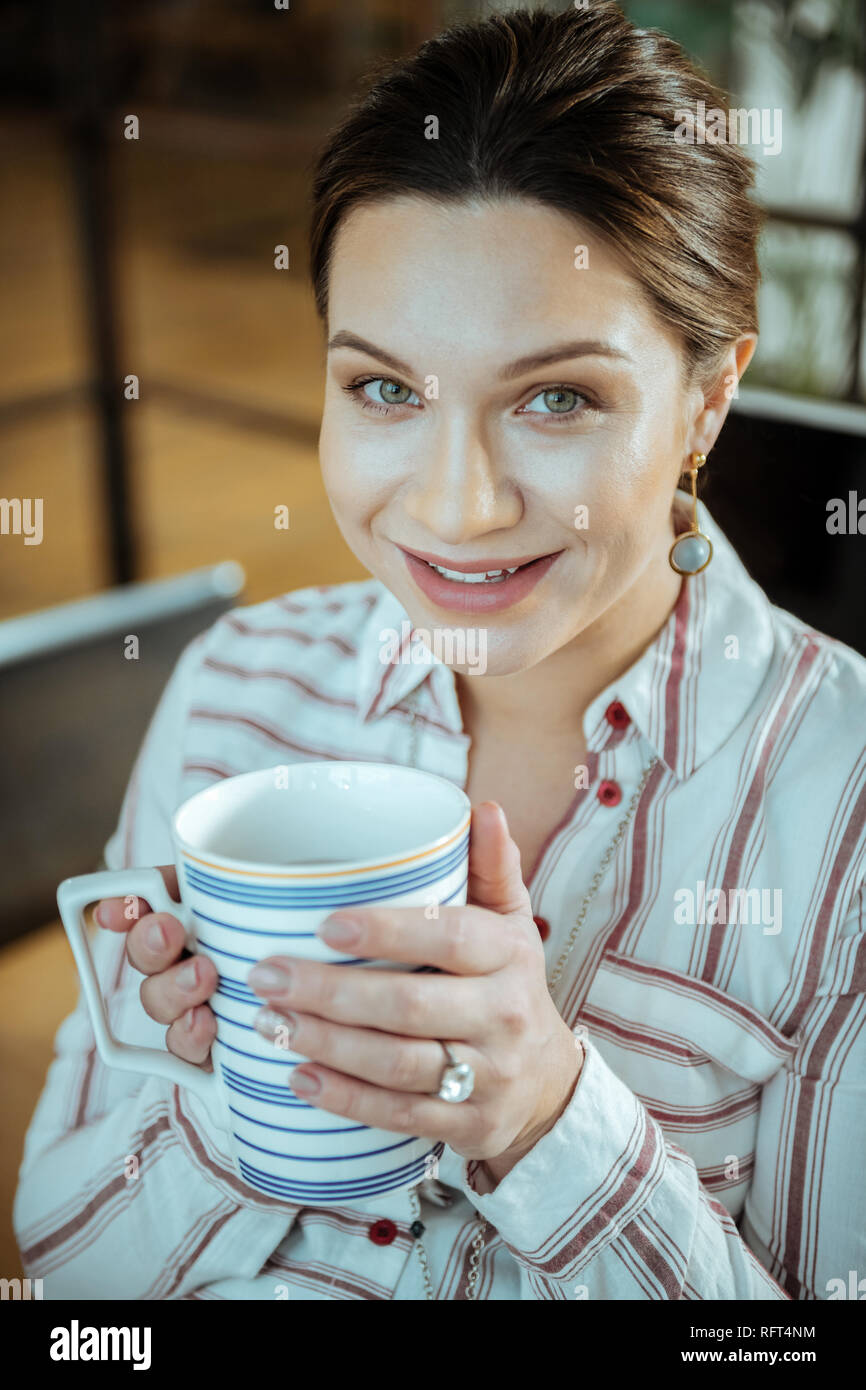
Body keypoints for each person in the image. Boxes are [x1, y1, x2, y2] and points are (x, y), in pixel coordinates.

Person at [15, 2, 865, 1300]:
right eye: (384, 389)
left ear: (706, 396)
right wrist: (237, 1099)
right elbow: (68, 1255)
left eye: (556, 397)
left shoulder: (839, 803)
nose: (455, 505)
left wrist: (546, 1120)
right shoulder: (232, 694)